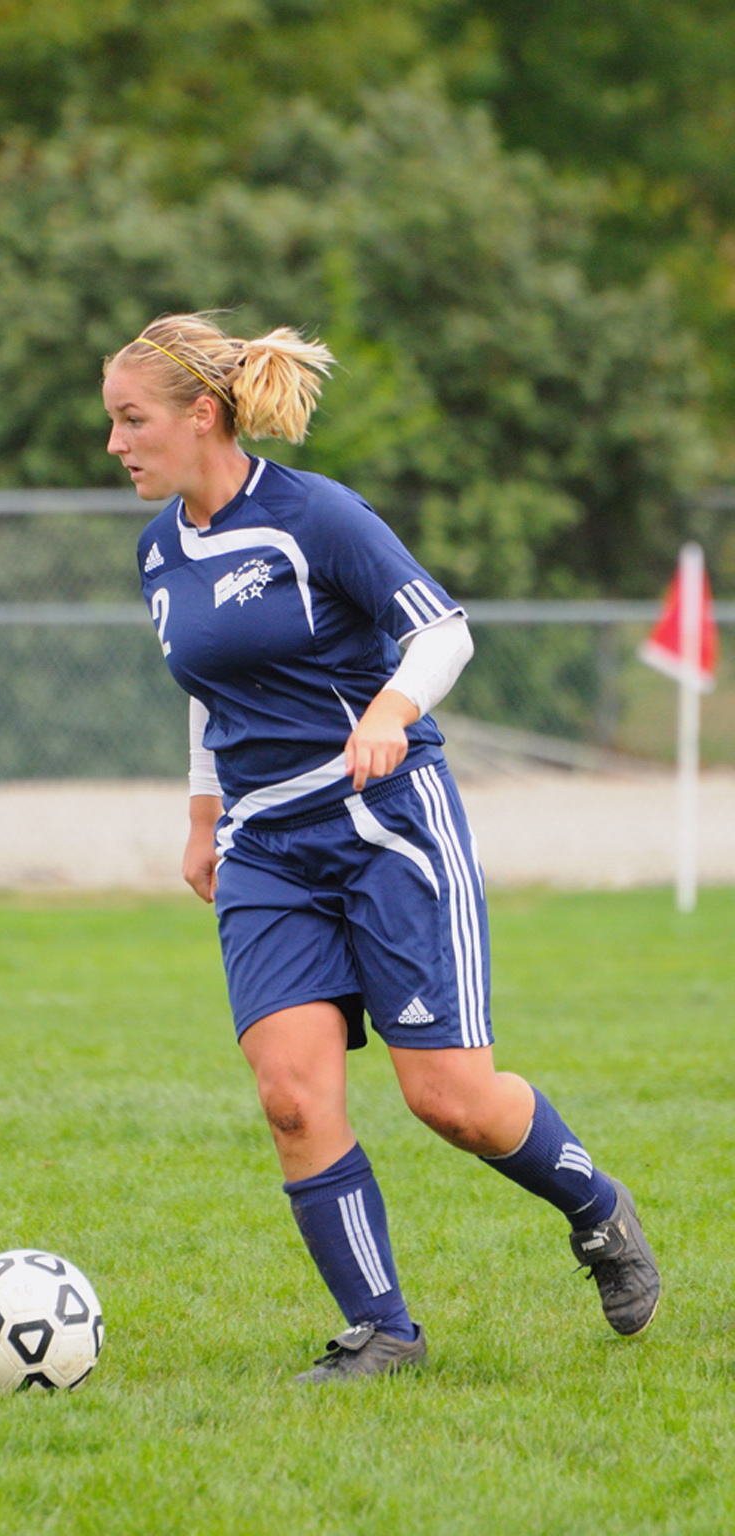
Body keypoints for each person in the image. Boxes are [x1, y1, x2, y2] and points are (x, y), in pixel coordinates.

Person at [102, 312, 660, 1383]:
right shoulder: (158, 549)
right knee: (289, 1096)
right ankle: (381, 1331)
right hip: (267, 849)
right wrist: (201, 815)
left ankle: (596, 1207)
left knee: (450, 1099)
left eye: (133, 421)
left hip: (385, 825)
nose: (117, 444)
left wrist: (391, 709)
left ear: (201, 416)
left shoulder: (317, 516)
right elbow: (211, 688)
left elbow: (443, 629)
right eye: (114, 424)